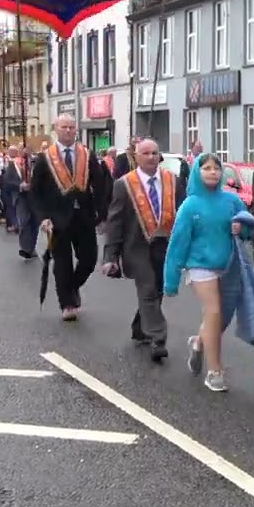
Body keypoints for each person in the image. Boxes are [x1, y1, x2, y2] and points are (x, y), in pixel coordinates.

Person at [163, 153, 249, 392]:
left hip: (228, 264)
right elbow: (177, 244)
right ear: (197, 173)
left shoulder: (231, 201)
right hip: (200, 265)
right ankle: (215, 371)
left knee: (219, 317)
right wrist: (170, 281)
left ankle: (199, 342)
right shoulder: (190, 205)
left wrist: (241, 228)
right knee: (213, 310)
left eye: (216, 168)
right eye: (207, 168)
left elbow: (251, 227)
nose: (213, 172)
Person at [101, 139, 186, 362]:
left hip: (164, 246)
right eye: (145, 153)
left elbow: (184, 215)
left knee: (157, 290)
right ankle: (158, 338)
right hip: (136, 246)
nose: (150, 157)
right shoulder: (124, 184)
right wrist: (110, 256)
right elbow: (115, 221)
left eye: (154, 153)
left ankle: (140, 327)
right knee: (147, 287)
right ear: (136, 157)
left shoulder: (173, 181)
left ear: (160, 157)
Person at [29, 115, 108, 321]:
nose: (68, 130)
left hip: (84, 217)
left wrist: (102, 213)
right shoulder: (45, 157)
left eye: (72, 127)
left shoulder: (86, 155)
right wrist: (43, 217)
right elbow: (35, 192)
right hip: (57, 220)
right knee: (62, 263)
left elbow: (99, 184)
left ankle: (71, 287)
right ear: (56, 129)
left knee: (89, 259)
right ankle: (67, 304)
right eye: (64, 127)